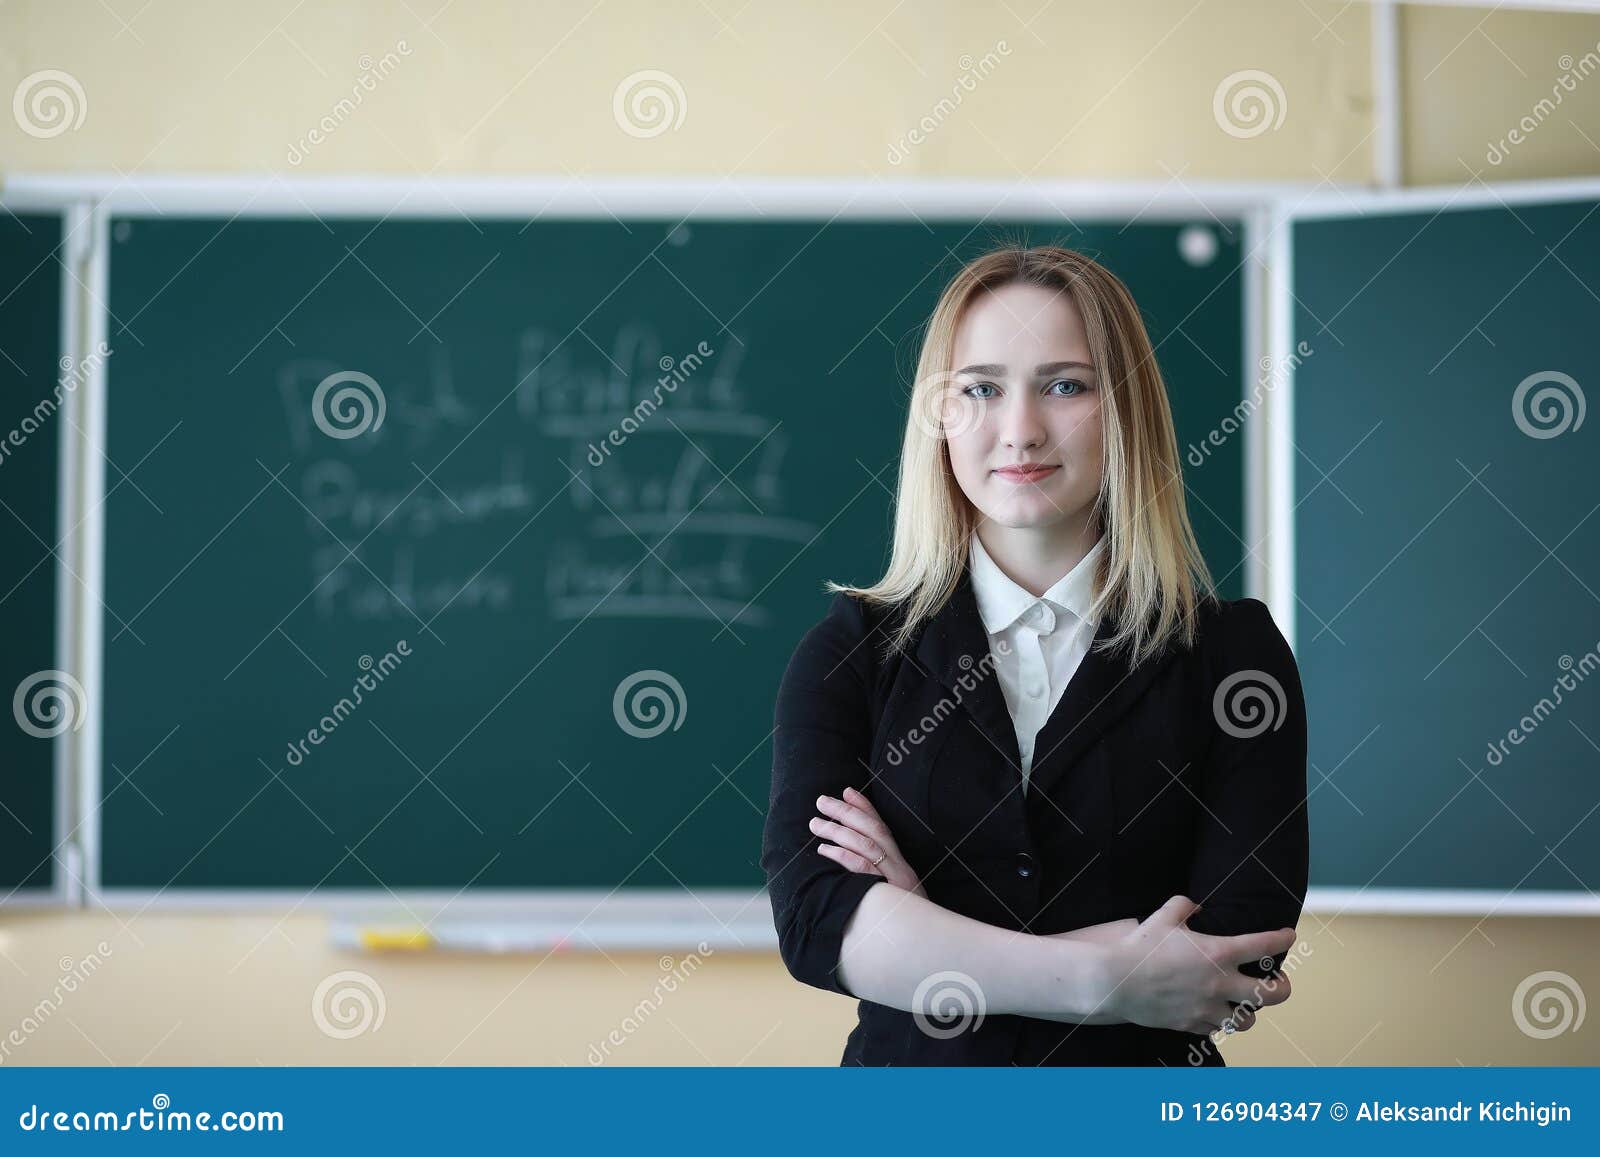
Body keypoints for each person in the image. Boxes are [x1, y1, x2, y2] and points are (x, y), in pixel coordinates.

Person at [760, 244, 1309, 1066]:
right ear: (939, 416)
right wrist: (1100, 980)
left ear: (1124, 410)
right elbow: (816, 923)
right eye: (979, 388)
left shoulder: (1233, 658)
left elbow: (1236, 956)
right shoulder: (851, 654)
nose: (1019, 430)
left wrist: (927, 929)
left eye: (1065, 385)